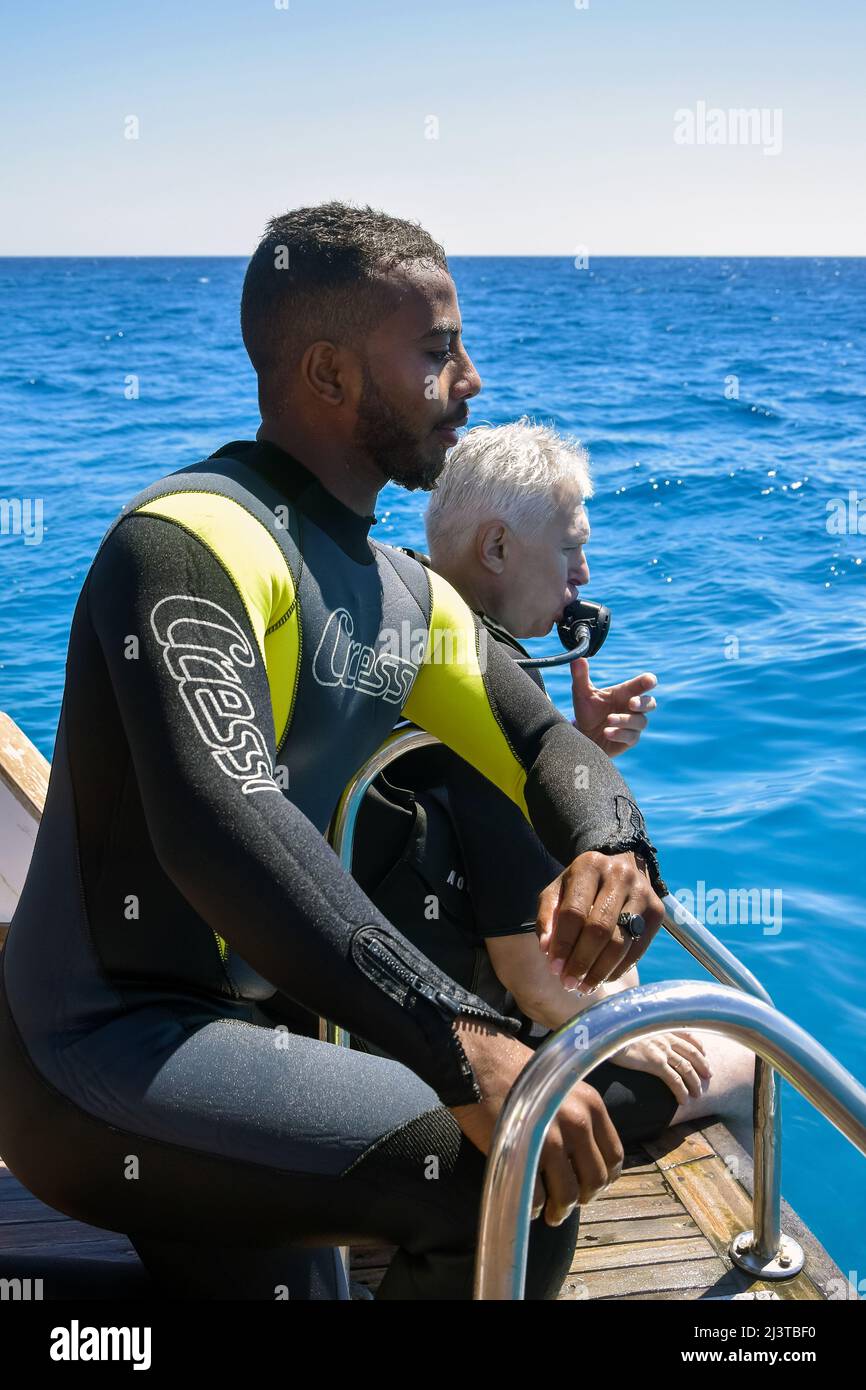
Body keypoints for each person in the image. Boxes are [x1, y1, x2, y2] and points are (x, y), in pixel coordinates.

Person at [0, 203, 667, 1302]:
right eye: (438, 351)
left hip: (246, 1047)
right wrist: (462, 1044)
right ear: (328, 372)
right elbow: (224, 827)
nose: (473, 380)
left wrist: (613, 843)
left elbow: (544, 742)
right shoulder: (185, 543)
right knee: (500, 1172)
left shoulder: (402, 592)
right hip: (96, 1051)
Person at [352, 419, 755, 1150]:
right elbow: (536, 975)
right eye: (572, 548)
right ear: (498, 547)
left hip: (363, 1042)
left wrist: (577, 755)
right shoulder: (479, 715)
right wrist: (623, 1027)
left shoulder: (398, 640)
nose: (584, 575)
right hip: (448, 1092)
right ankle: (755, 1240)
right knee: (747, 1050)